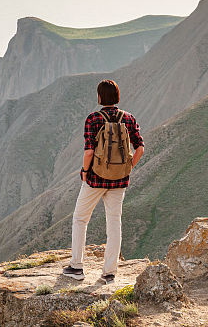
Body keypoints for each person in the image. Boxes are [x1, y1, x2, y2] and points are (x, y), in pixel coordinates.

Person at [63, 79, 145, 283]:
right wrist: (127, 168)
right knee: (114, 222)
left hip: (95, 179)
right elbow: (140, 148)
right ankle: (109, 272)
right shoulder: (128, 118)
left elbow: (89, 152)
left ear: (100, 97)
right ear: (117, 96)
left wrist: (84, 171)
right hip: (119, 181)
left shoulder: (93, 119)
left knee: (80, 219)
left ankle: (76, 267)